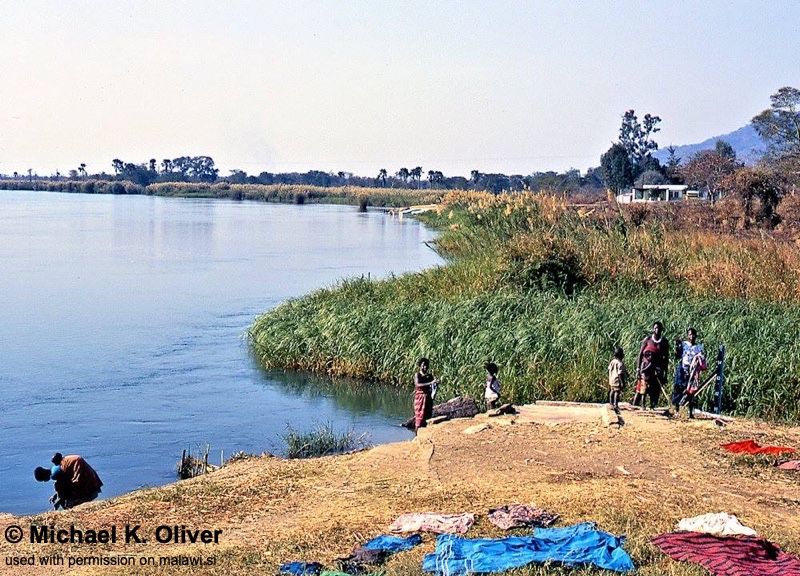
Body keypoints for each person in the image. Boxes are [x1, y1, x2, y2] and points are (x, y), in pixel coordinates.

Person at [34, 453, 103, 510]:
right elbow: (65, 483)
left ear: (44, 475)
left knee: (69, 504)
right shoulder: (59, 466)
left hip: (89, 488)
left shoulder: (56, 474)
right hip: (92, 480)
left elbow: (66, 486)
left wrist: (60, 500)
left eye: (43, 480)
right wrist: (56, 495)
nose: (45, 481)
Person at [673, 328, 706, 418]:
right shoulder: (684, 345)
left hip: (692, 371)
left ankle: (691, 412)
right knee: (678, 388)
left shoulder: (698, 347)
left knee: (691, 392)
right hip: (683, 369)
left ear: (696, 335)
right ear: (687, 335)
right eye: (690, 335)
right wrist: (678, 345)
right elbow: (677, 355)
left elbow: (701, 359)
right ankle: (676, 410)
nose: (691, 337)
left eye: (693, 335)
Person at [636, 321, 670, 410]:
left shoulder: (664, 342)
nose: (657, 330)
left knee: (655, 389)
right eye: (655, 328)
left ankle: (652, 406)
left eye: (659, 328)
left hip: (657, 368)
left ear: (662, 330)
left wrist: (665, 374)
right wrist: (638, 369)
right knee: (643, 387)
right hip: (646, 368)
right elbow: (640, 354)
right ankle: (640, 405)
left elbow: (666, 358)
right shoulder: (647, 340)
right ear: (653, 329)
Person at [413, 357, 440, 430]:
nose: (425, 367)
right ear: (420, 366)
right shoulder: (417, 375)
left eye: (426, 365)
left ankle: (423, 434)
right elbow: (418, 384)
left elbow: (433, 385)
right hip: (420, 398)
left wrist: (436, 383)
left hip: (428, 398)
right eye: (423, 365)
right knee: (419, 420)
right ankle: (416, 436)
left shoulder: (429, 376)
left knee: (427, 418)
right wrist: (430, 382)